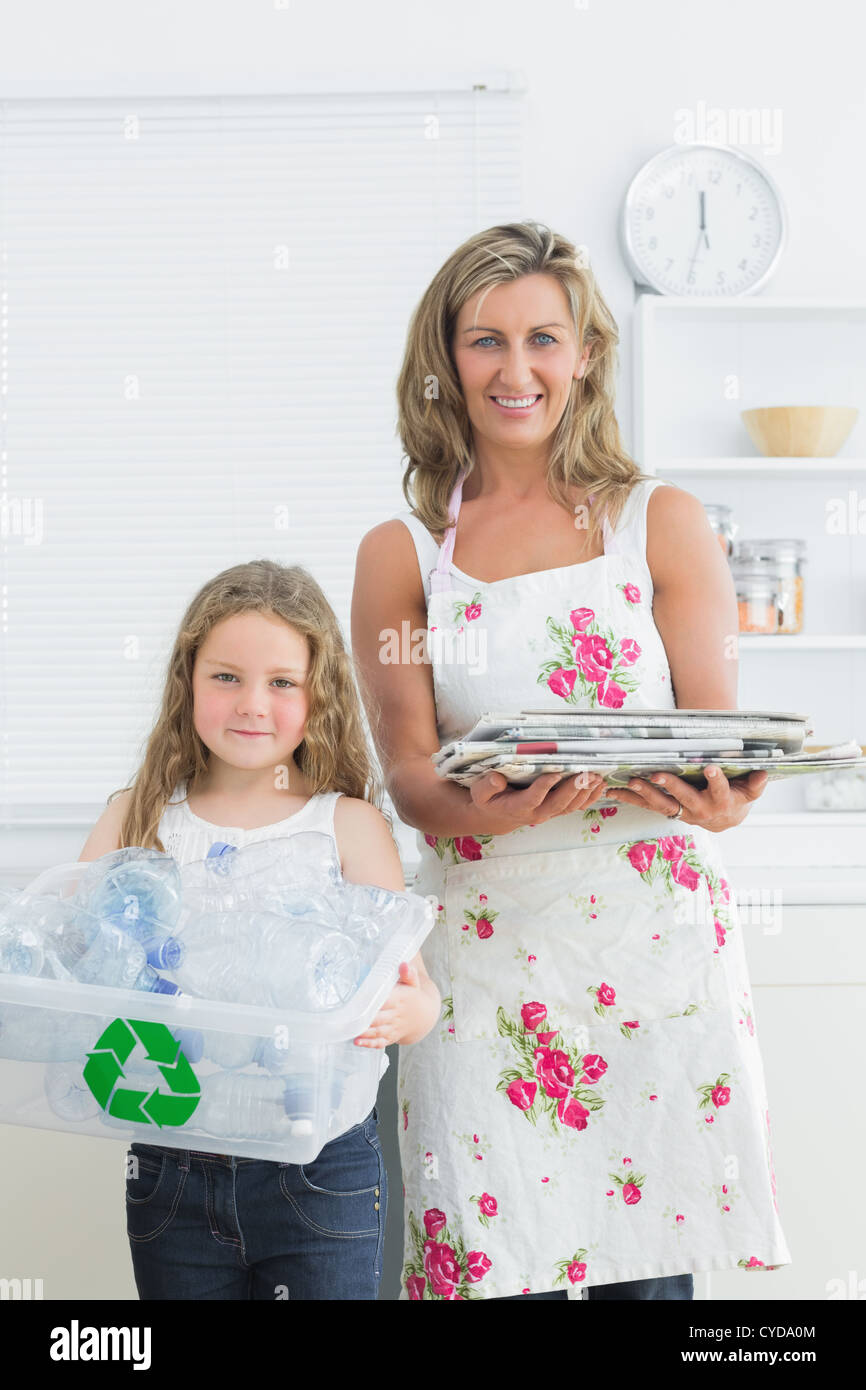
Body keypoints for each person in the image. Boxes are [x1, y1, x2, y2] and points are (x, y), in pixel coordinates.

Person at [351, 219, 791, 1301]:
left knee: (648, 1281)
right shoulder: (402, 553)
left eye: (542, 338)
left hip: (652, 946)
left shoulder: (662, 523)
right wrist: (487, 815)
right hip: (487, 955)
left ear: (584, 352)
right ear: (443, 359)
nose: (515, 369)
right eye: (483, 340)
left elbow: (712, 748)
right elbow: (410, 778)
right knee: (501, 1272)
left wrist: (723, 799)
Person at [78, 559, 441, 1300]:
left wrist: (412, 1012)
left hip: (321, 1166)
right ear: (188, 681)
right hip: (171, 1156)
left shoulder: (345, 826)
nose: (252, 704)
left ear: (318, 694)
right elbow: (76, 954)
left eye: (282, 682)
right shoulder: (134, 817)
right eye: (226, 677)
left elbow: (417, 988)